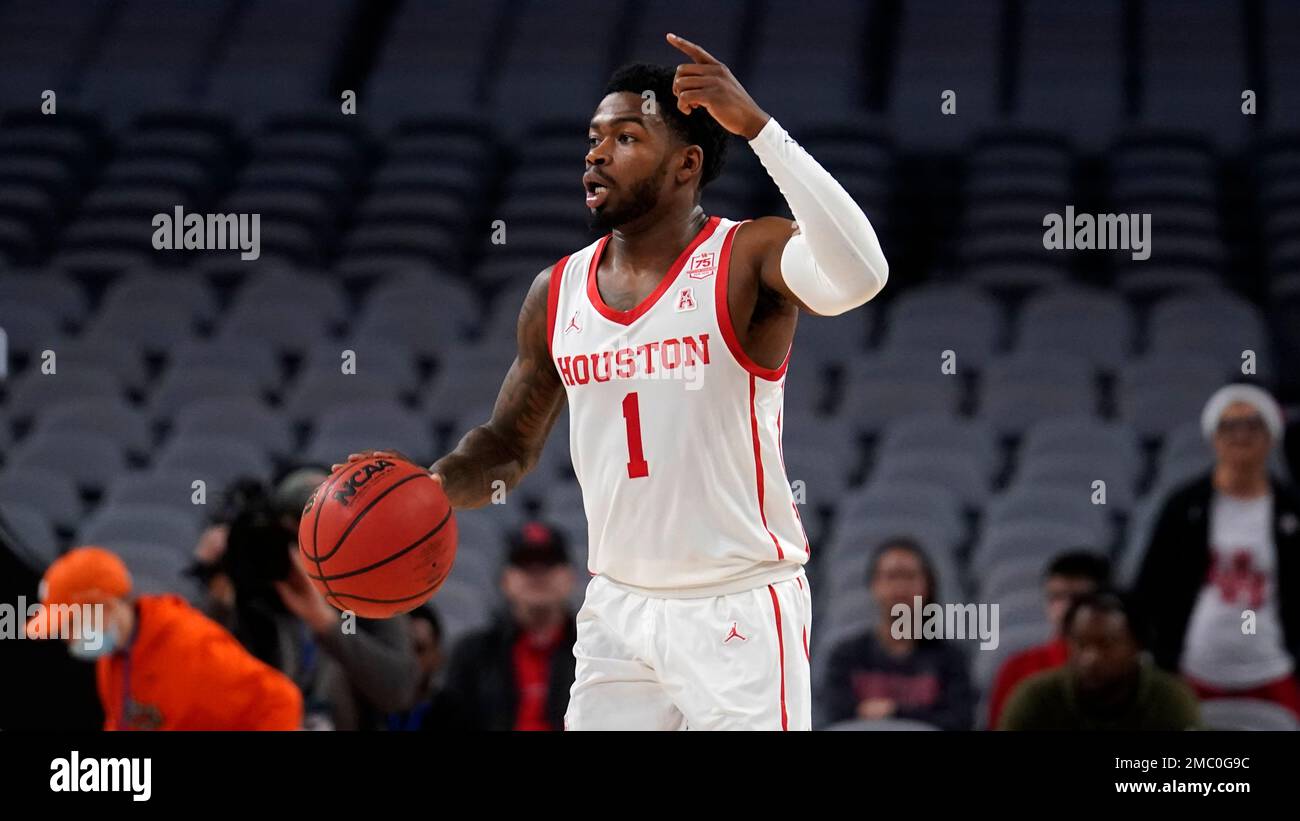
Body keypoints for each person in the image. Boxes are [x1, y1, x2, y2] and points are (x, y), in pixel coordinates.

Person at [345, 33, 888, 730]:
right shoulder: (558, 289)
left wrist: (760, 129)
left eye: (626, 137)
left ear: (686, 164)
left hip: (738, 605)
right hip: (618, 606)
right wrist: (430, 486)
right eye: (594, 138)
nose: (596, 153)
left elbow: (860, 275)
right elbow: (508, 445)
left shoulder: (744, 256)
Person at [194, 468, 422, 730]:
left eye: (317, 539)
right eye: (292, 539)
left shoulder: (368, 589)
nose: (302, 556)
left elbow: (399, 691)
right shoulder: (251, 589)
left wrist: (325, 623)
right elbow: (196, 680)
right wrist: (217, 591)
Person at [1133, 383, 1300, 717]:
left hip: (1276, 666)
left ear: (1272, 436)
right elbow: (1150, 586)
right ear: (1214, 436)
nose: (1242, 435)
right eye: (1230, 425)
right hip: (1193, 666)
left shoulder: (1293, 509)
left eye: (1254, 425)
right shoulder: (1183, 507)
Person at [25, 546, 302, 730]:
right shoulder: (113, 656)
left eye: (72, 624)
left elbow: (281, 701)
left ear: (106, 606)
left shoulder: (192, 648)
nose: (67, 637)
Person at [436, 522, 578, 731]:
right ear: (504, 580)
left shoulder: (594, 653)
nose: (537, 572)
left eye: (549, 562)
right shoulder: (473, 654)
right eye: (524, 562)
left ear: (570, 578)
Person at [820, 538, 974, 730]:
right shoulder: (845, 656)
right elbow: (833, 716)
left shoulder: (950, 659)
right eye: (892, 576)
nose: (901, 587)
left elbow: (960, 721)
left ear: (927, 586)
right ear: (874, 585)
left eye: (909, 576)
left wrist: (894, 711)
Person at [999, 591, 1201, 731]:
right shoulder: (1036, 698)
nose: (1090, 658)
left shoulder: (1170, 699)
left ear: (1137, 646)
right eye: (1081, 644)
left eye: (1106, 645)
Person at [985, 551, 1111, 729]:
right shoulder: (1017, 669)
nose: (1066, 608)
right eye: (1056, 597)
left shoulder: (1124, 669)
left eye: (1077, 598)